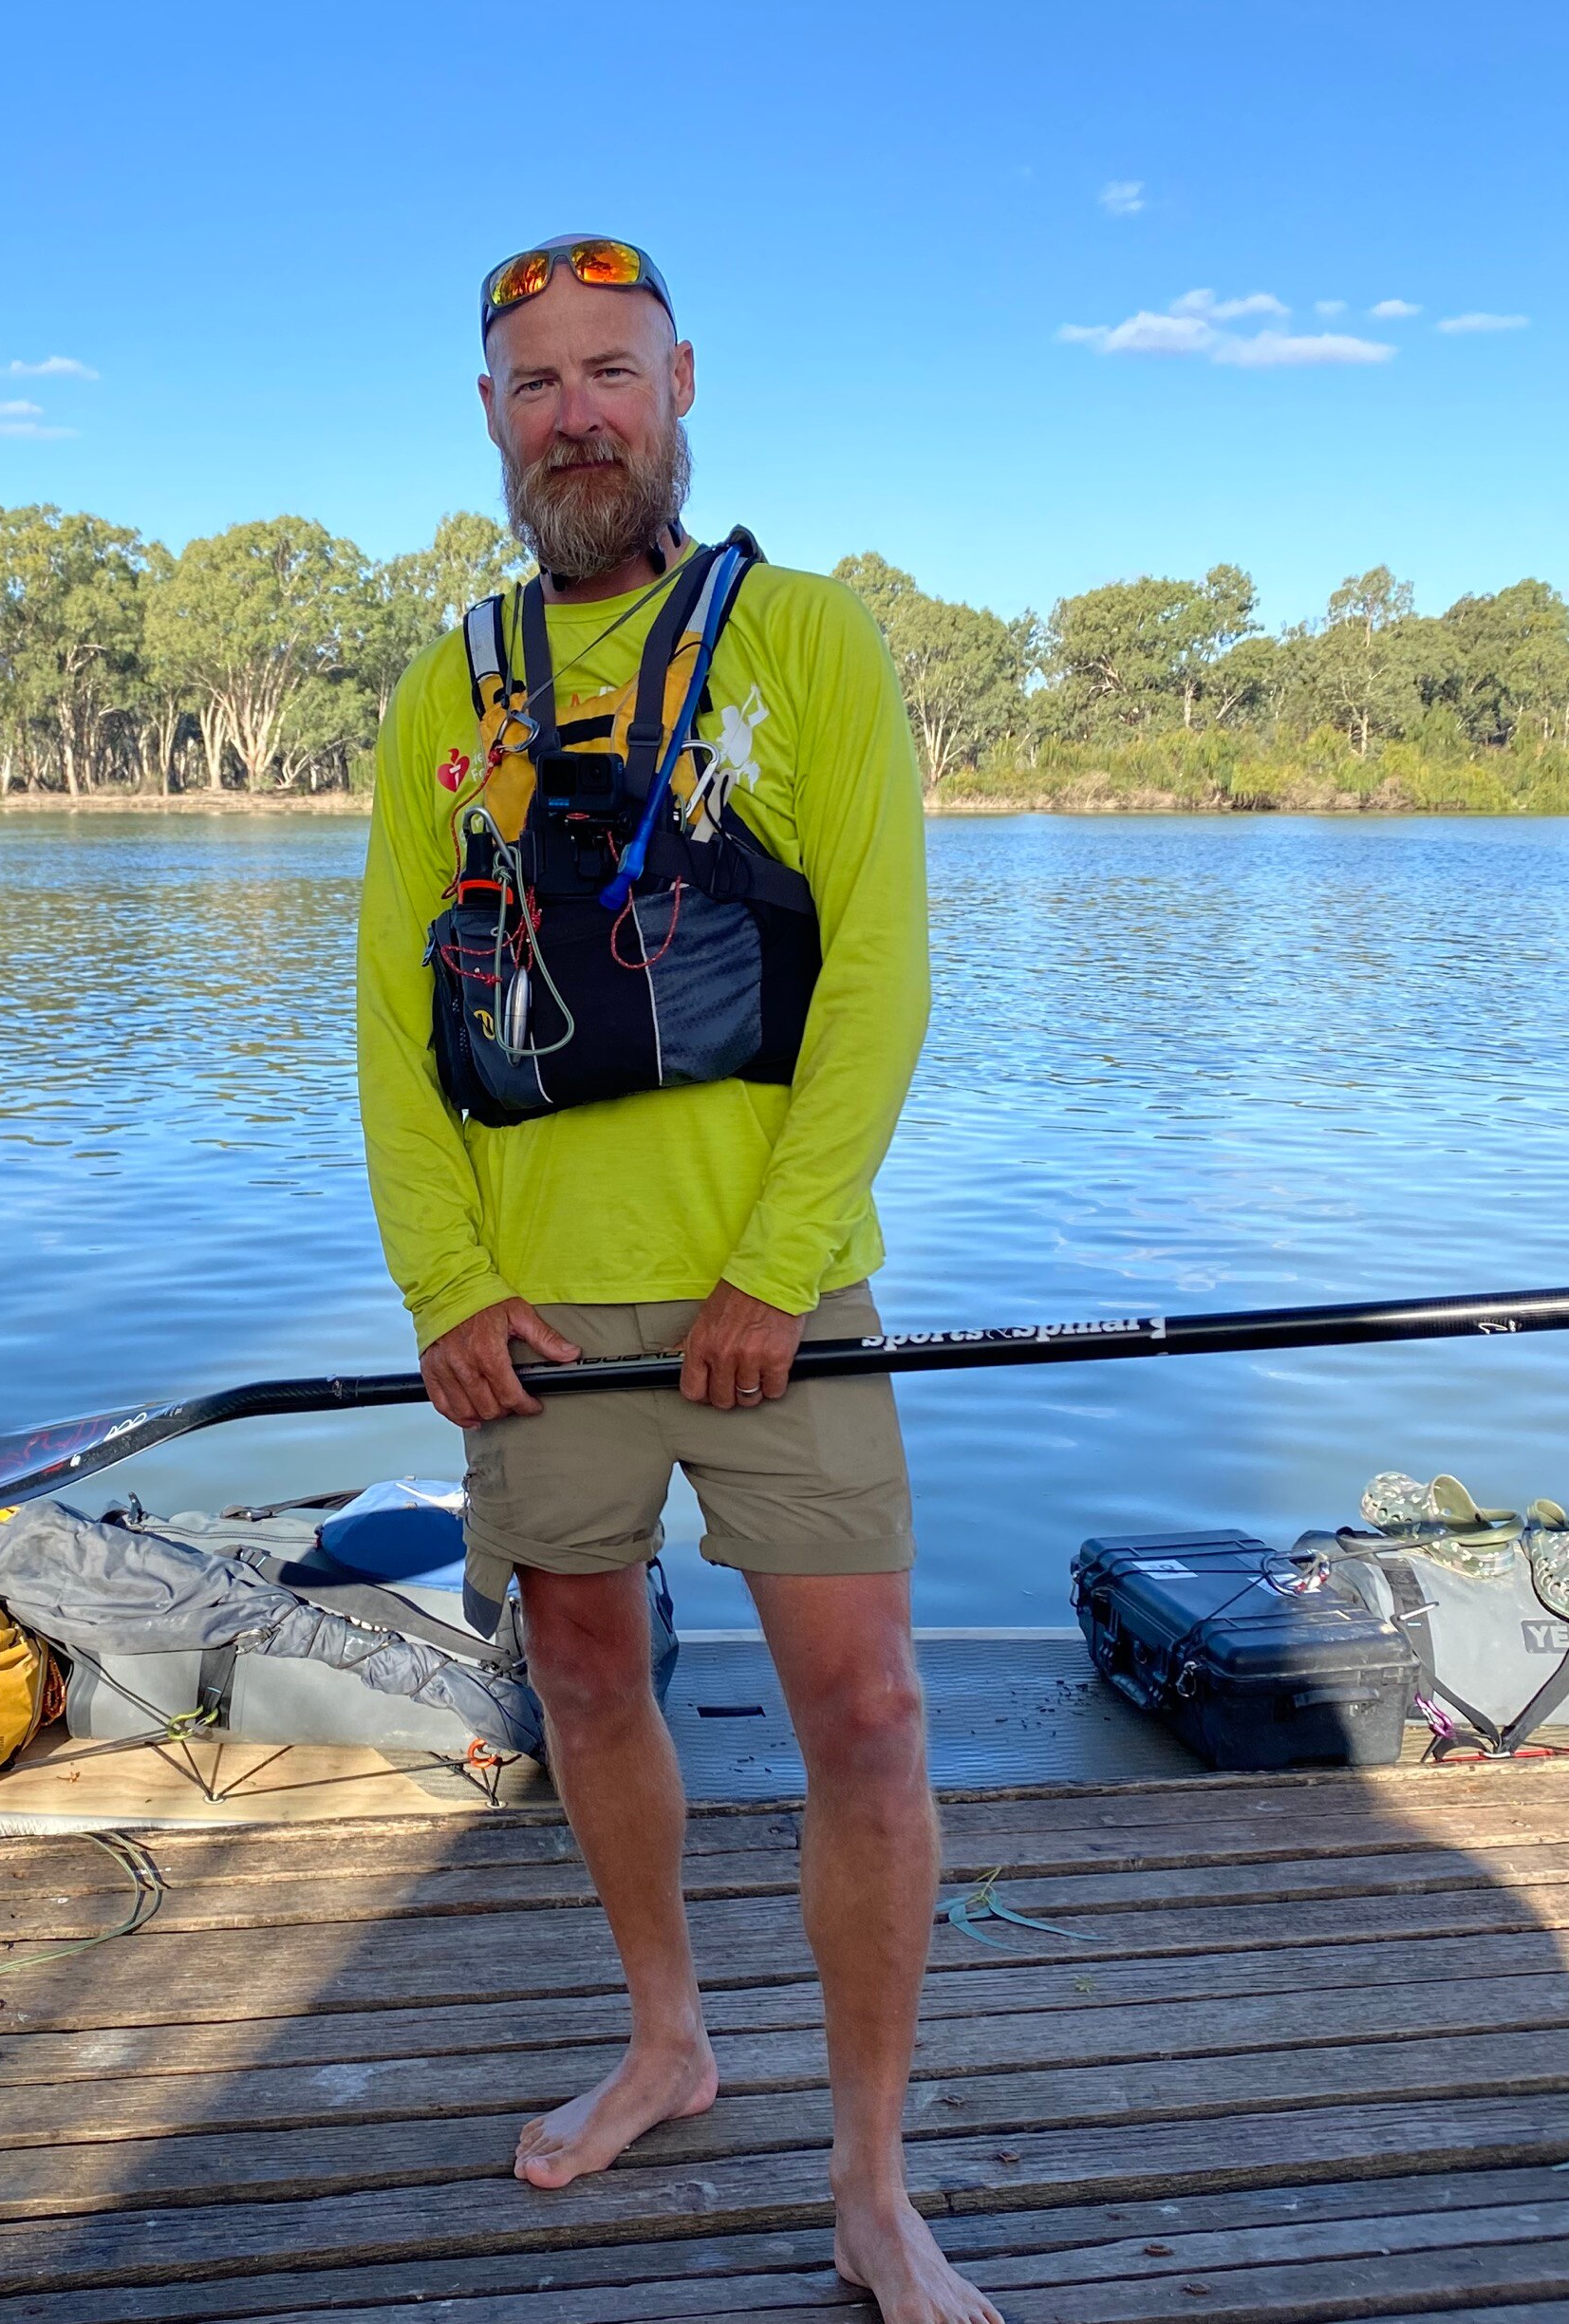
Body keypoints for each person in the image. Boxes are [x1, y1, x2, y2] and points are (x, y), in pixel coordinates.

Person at [355, 237, 995, 2324]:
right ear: (490, 416)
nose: (577, 415)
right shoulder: (447, 687)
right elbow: (386, 1022)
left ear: (682, 382)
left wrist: (779, 1270)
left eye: (609, 373)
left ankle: (874, 2184)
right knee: (590, 1682)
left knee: (871, 1718)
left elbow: (881, 980)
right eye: (534, 384)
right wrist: (445, 1290)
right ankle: (668, 2036)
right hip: (532, 1317)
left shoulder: (807, 641)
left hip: (771, 1296)